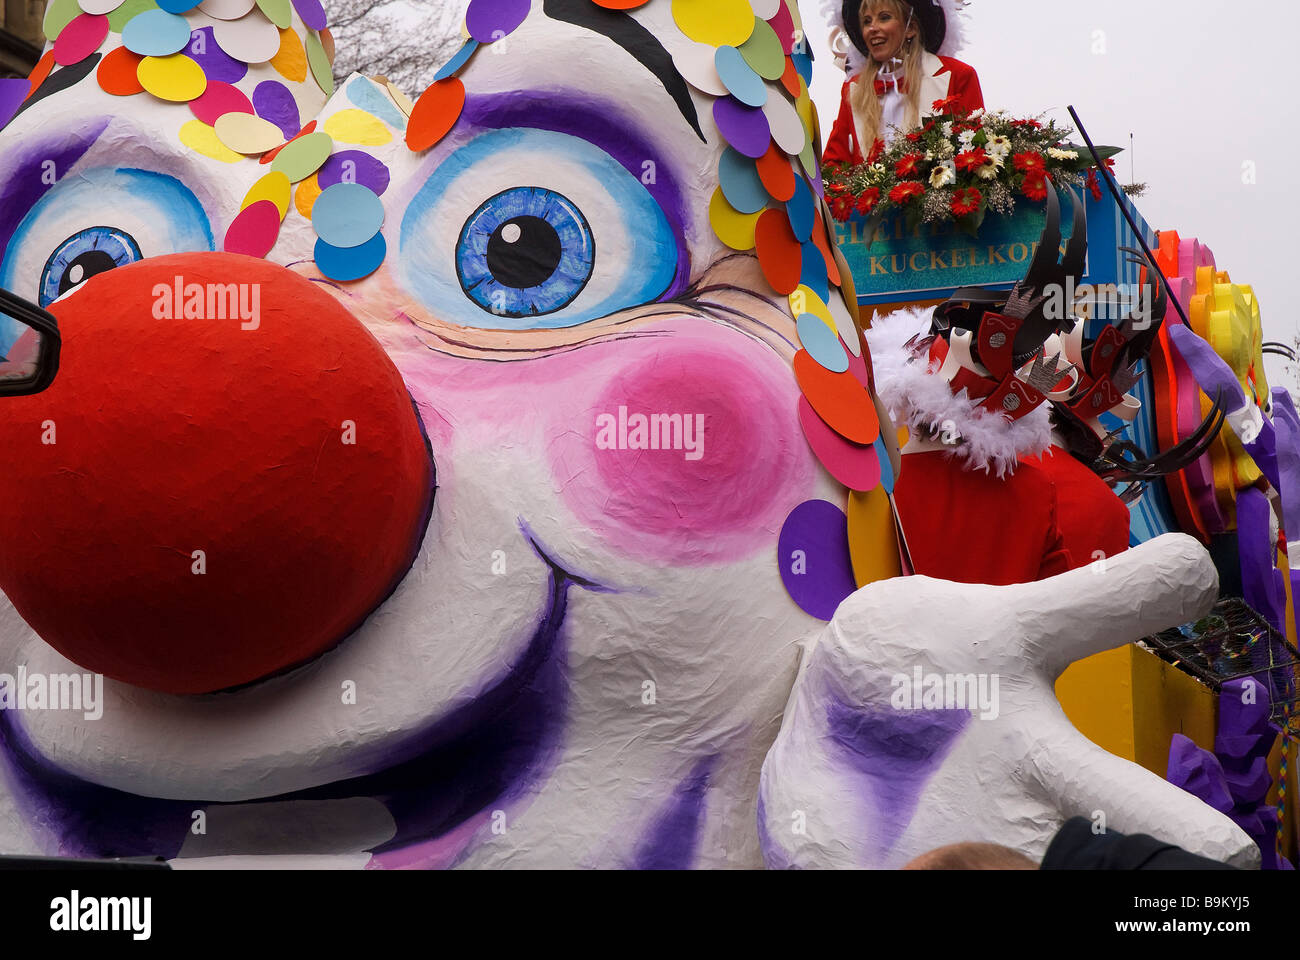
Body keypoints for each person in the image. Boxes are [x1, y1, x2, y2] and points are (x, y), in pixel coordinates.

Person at [823, 0, 984, 167]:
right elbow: (834, 164)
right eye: (866, 21)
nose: (872, 28)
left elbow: (974, 155)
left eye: (884, 17)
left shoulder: (957, 75)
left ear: (910, 28)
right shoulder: (853, 89)